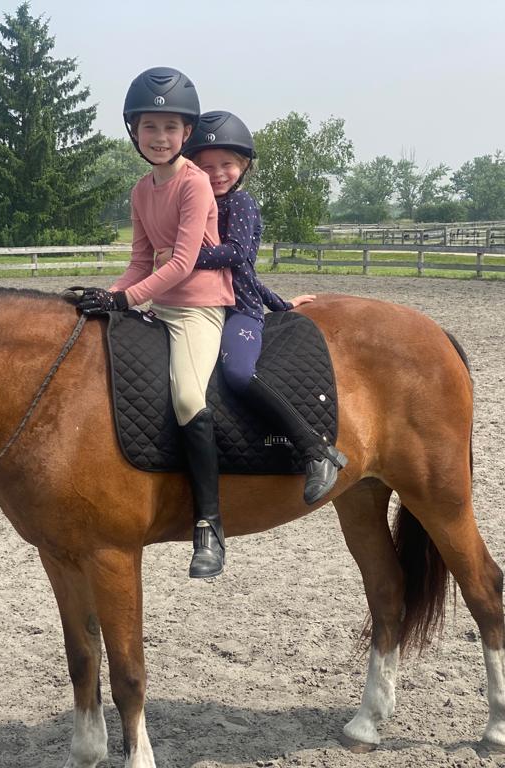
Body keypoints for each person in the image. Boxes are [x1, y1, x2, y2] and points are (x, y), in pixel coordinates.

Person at [77, 67, 234, 579]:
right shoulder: (141, 191)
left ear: (186, 133)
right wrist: (108, 295)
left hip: (197, 307)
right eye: (150, 127)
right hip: (155, 303)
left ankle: (209, 525)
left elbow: (183, 263)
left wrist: (127, 299)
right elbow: (139, 263)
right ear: (135, 132)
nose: (160, 137)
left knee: (188, 397)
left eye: (170, 127)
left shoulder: (195, 185)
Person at [157, 110, 345, 506]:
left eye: (226, 164)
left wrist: (182, 257)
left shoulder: (240, 203)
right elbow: (246, 274)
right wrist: (281, 302)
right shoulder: (196, 203)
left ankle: (315, 449)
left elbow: (238, 256)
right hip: (199, 307)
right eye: (206, 166)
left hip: (237, 310)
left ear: (244, 166)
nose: (217, 173)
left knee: (239, 374)